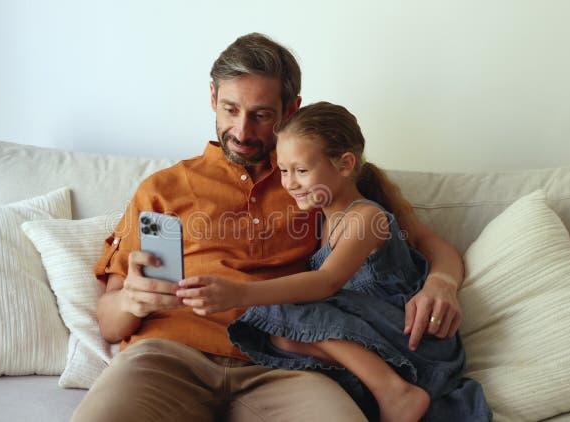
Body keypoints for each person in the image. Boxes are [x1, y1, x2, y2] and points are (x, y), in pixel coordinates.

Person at [72, 33, 467, 422]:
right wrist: (131, 301)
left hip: (287, 364)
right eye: (230, 110)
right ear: (213, 98)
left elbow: (425, 243)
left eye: (261, 115)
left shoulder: (316, 179)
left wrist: (441, 283)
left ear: (291, 109)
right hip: (169, 353)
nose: (242, 132)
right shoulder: (162, 188)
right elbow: (109, 322)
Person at [175, 102, 491, 422]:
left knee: (280, 306)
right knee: (279, 333)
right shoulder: (322, 221)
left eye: (301, 170)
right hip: (375, 337)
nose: (289, 183)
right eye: (284, 170)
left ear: (344, 165)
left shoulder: (366, 217)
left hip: (412, 335)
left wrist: (238, 293)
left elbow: (326, 282)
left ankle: (394, 390)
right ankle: (381, 382)